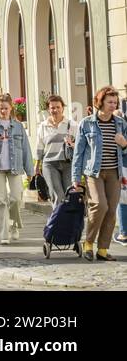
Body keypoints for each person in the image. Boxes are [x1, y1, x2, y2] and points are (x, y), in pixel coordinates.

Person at [71, 85, 127, 261]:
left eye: (115, 102)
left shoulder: (121, 123)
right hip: (93, 173)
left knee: (111, 211)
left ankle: (103, 249)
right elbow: (78, 152)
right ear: (100, 102)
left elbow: (125, 150)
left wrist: (124, 143)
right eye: (110, 102)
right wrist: (75, 177)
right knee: (100, 205)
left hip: (114, 173)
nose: (113, 105)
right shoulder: (87, 123)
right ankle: (88, 243)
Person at [0, 93, 33, 245]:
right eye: (0, 108)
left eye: (6, 108)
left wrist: (30, 172)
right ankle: (4, 234)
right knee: (0, 201)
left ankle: (14, 225)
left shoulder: (18, 126)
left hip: (15, 167)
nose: (3, 111)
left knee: (16, 198)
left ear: (11, 109)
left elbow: (26, 149)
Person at [35, 94, 75, 209]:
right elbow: (39, 146)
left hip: (68, 163)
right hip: (49, 164)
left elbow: (79, 145)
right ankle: (59, 223)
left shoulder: (71, 125)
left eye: (58, 107)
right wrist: (37, 166)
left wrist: (72, 144)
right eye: (52, 108)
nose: (55, 110)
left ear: (63, 108)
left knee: (69, 194)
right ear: (48, 109)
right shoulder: (43, 126)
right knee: (58, 195)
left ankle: (68, 223)